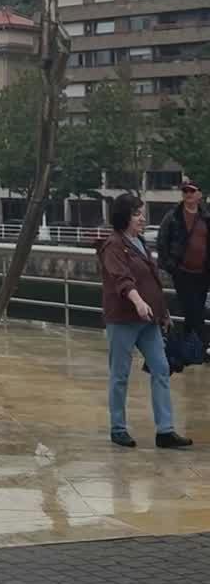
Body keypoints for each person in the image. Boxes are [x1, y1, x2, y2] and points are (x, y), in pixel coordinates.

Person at [97, 190, 192, 450]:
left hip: (149, 320)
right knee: (120, 375)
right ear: (124, 217)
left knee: (161, 369)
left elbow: (152, 281)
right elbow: (122, 279)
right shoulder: (113, 245)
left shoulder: (139, 242)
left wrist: (163, 313)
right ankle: (118, 428)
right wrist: (138, 302)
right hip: (123, 319)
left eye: (141, 213)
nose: (142, 218)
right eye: (137, 214)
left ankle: (165, 430)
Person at [155, 179, 210, 345]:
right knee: (193, 310)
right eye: (185, 191)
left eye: (192, 191)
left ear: (199, 194)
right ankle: (203, 345)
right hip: (182, 272)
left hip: (203, 273)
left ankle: (189, 346)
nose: (188, 194)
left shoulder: (206, 216)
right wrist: (169, 265)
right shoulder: (173, 216)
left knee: (195, 311)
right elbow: (162, 241)